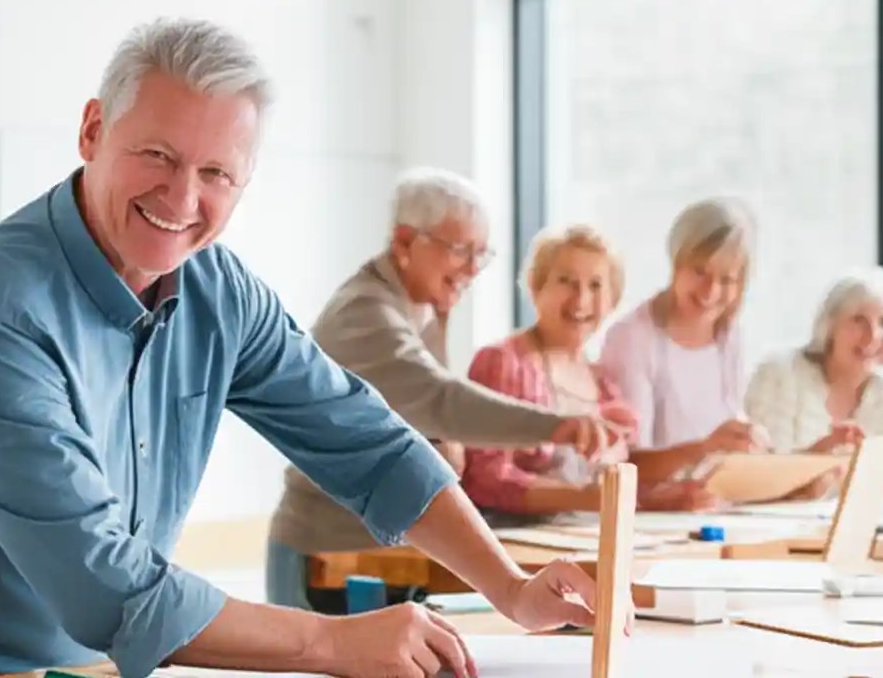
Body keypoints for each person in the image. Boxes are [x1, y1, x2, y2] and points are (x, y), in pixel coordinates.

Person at [0, 19, 620, 678]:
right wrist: (333, 642)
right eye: (157, 155)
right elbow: (104, 585)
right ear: (93, 131)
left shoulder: (218, 288)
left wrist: (509, 588)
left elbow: (369, 446)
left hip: (89, 665)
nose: (183, 198)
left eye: (216, 172)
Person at [266, 170, 631, 612]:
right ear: (404, 242)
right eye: (460, 250)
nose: (473, 269)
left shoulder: (423, 305)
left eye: (481, 254)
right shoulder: (367, 314)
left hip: (385, 548)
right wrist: (558, 427)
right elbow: (441, 400)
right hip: (330, 553)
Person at [461, 225, 720, 515]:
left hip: (584, 532)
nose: (581, 300)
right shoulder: (503, 363)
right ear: (537, 287)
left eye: (596, 286)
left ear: (612, 300)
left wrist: (670, 491)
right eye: (566, 281)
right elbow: (485, 479)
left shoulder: (602, 381)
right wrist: (594, 499)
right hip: (515, 535)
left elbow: (622, 474)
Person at [599, 198, 767, 478]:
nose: (711, 292)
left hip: (714, 497)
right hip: (654, 502)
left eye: (727, 280)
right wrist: (706, 448)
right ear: (676, 262)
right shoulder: (632, 339)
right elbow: (626, 466)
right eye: (700, 272)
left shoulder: (729, 336)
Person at [745, 267, 883, 469]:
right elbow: (761, 474)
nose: (873, 336)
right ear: (830, 326)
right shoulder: (779, 375)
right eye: (859, 320)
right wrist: (818, 457)